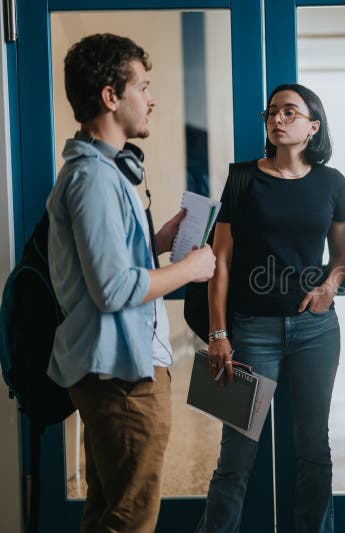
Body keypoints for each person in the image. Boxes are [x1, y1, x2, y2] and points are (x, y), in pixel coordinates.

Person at [47, 33, 216, 532]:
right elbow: (114, 289)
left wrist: (157, 241)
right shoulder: (94, 180)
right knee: (130, 518)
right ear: (110, 96)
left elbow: (108, 268)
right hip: (120, 378)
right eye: (142, 85)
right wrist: (189, 270)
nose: (152, 97)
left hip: (117, 371)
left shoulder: (104, 174)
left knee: (108, 512)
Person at [196, 83, 345, 533]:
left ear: (312, 126)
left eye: (290, 112)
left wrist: (329, 288)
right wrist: (219, 333)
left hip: (316, 332)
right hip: (250, 331)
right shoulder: (243, 177)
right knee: (236, 455)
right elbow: (220, 259)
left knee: (314, 450)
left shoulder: (331, 182)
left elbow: (339, 259)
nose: (277, 119)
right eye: (272, 112)